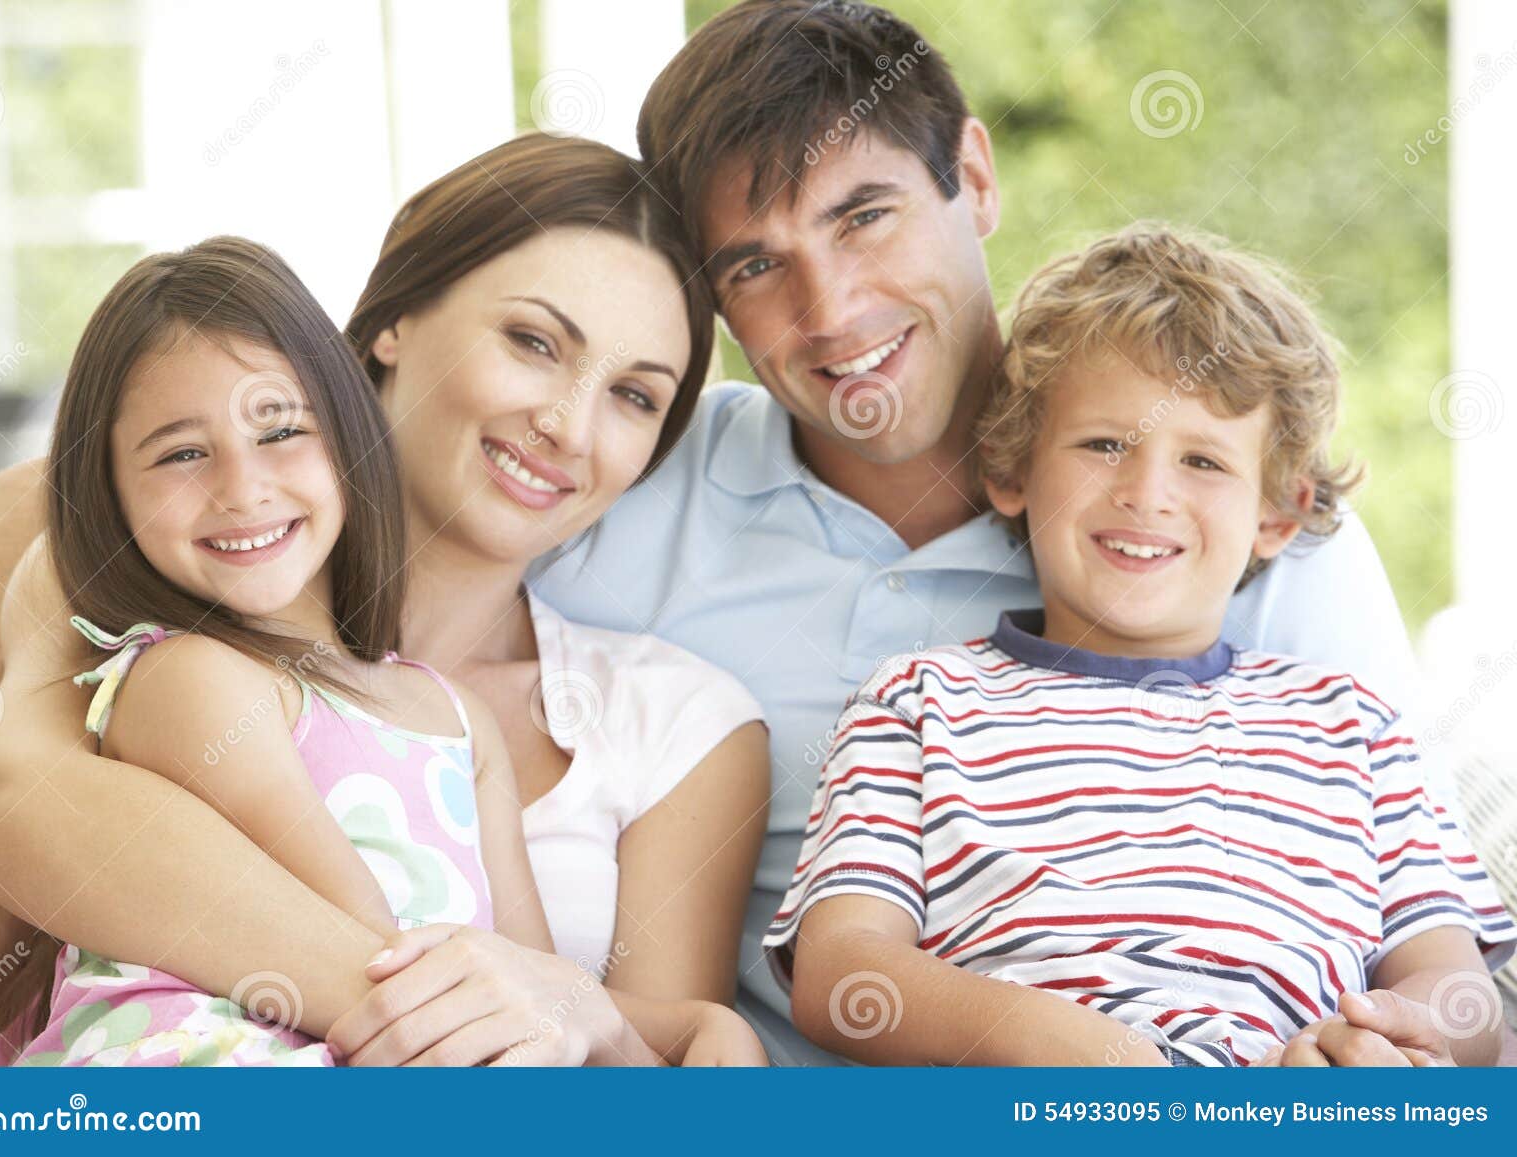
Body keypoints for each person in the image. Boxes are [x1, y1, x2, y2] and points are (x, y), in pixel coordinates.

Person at [525, 0, 1459, 1064]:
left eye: (862, 215)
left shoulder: (1261, 542)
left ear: (972, 177)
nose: (829, 310)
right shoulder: (623, 470)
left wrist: (1390, 1056)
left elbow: (1421, 945)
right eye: (753, 265)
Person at [0, 135, 769, 1066]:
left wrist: (683, 1025)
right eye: (532, 341)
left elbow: (638, 1089)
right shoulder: (117, 564)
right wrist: (454, 1010)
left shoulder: (664, 718)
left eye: (636, 397)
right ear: (393, 319)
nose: (568, 426)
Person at [761, 223, 1516, 1066]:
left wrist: (1378, 1045)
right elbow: (840, 975)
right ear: (1012, 468)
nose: (1146, 492)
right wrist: (1052, 1039)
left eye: (1203, 461)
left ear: (1278, 513)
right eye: (1104, 444)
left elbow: (1464, 998)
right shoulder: (918, 703)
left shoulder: (1354, 726)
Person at [0, 234, 552, 1064]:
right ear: (110, 496)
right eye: (182, 453)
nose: (242, 487)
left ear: (349, 435)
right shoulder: (190, 677)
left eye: (281, 431)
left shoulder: (456, 720)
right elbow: (369, 951)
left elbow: (532, 978)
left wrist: (676, 1027)